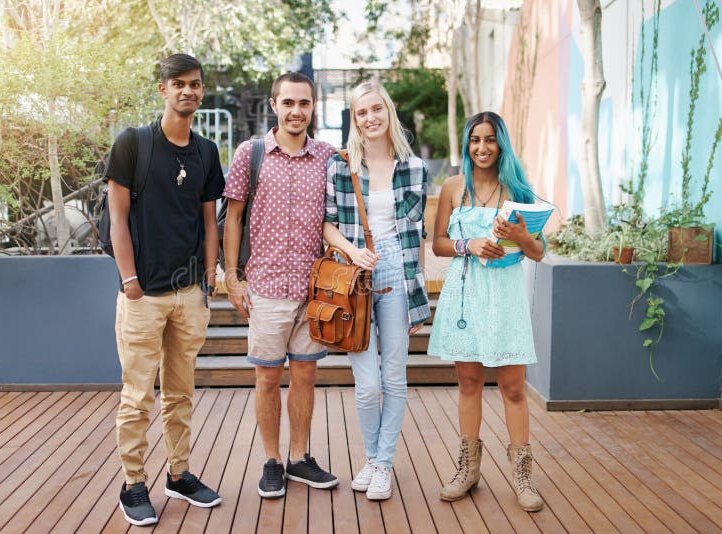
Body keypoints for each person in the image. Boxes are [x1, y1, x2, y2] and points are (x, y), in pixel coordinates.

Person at [106, 54, 224, 526]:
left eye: (195, 84)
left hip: (189, 292)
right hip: (143, 296)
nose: (187, 91)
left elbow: (209, 220)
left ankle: (179, 474)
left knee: (180, 393)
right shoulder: (133, 144)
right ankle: (133, 483)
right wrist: (130, 282)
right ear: (163, 89)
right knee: (137, 396)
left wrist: (209, 278)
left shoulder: (206, 152)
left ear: (201, 91)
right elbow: (117, 218)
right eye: (178, 84)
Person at [223, 72, 339, 498]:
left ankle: (299, 457)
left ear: (313, 106)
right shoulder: (250, 153)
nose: (296, 111)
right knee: (268, 379)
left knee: (305, 376)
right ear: (274, 105)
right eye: (288, 102)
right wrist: (232, 277)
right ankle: (272, 461)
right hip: (266, 288)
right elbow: (233, 218)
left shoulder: (328, 157)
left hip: (313, 290)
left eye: (304, 103)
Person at [428, 111, 545, 512]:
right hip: (465, 295)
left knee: (513, 387)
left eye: (490, 139)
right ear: (467, 143)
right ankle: (468, 470)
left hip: (505, 296)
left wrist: (521, 236)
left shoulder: (518, 191)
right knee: (468, 383)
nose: (482, 147)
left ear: (501, 144)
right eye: (475, 139)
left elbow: (538, 252)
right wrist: (470, 245)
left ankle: (523, 476)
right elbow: (438, 243)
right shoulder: (452, 187)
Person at [322, 82, 430, 500]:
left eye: (376, 109)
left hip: (400, 277)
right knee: (367, 383)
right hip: (356, 279)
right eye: (361, 112)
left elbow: (416, 235)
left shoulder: (415, 168)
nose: (370, 118)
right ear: (355, 119)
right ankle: (372, 458)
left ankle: (382, 464)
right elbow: (327, 225)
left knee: (394, 377)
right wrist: (353, 252)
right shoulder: (341, 166)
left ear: (388, 112)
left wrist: (418, 298)